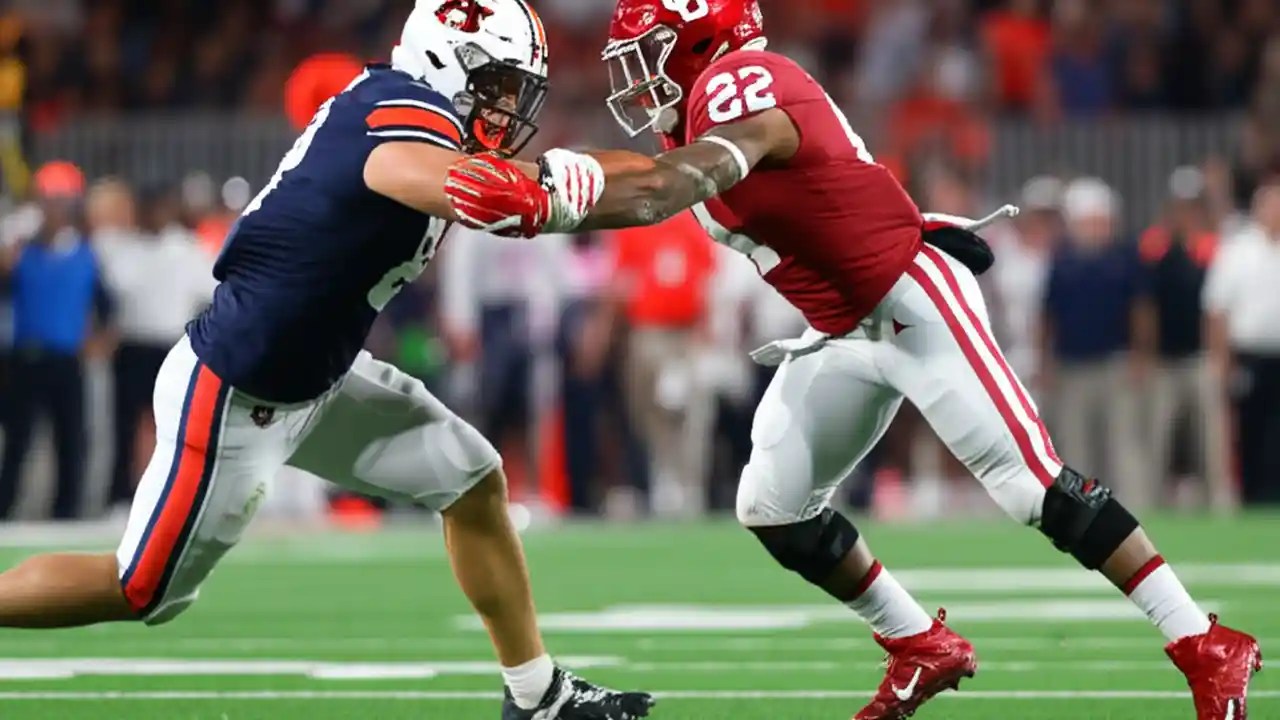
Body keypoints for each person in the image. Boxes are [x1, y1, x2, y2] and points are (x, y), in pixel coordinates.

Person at [440, 1, 1262, 718]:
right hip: (843, 329)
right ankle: (919, 643)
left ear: (699, 41)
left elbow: (673, 182)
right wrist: (542, 192)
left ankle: (1202, 639)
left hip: (911, 300)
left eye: (649, 54)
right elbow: (652, 181)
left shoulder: (744, 79)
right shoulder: (690, 121)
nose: (636, 80)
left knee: (1030, 486)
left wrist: (548, 200)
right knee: (773, 503)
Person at [0, 4, 652, 719]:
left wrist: (683, 176)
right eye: (496, 82)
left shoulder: (424, 117)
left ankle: (537, 695)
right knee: (141, 588)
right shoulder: (401, 107)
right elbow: (430, 176)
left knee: (471, 481)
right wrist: (542, 192)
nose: (505, 104)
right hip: (235, 388)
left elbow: (523, 180)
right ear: (447, 60)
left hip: (318, 383)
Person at [0, 161, 114, 520]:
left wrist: (99, 341)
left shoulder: (86, 255)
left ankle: (67, 512)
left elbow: (107, 307)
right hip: (23, 358)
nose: (54, 209)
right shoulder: (20, 253)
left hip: (66, 360)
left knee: (71, 438)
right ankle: (5, 508)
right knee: (17, 440)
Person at [1040, 178, 1148, 508]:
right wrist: (1047, 361)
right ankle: (1082, 510)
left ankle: (1134, 507)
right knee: (1076, 443)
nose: (1094, 228)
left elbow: (1141, 310)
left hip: (1115, 361)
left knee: (1123, 441)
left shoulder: (1125, 257)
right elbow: (1048, 315)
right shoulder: (1062, 261)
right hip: (1072, 365)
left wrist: (1140, 355)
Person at [1203, 178, 1280, 506]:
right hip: (1250, 354)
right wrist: (1222, 361)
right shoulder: (1237, 249)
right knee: (1250, 429)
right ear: (1258, 208)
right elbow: (1217, 308)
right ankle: (1253, 498)